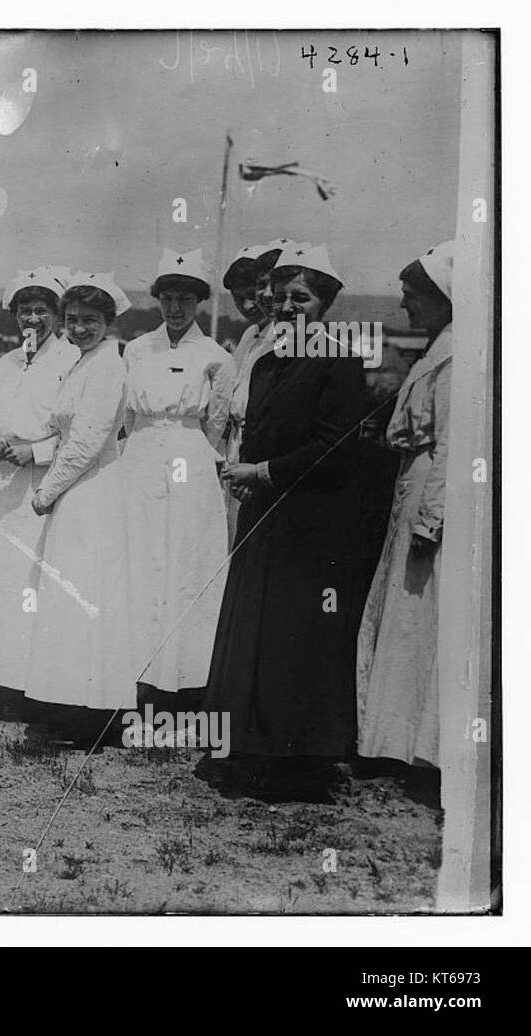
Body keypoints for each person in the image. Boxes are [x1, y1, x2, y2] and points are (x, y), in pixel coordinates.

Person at [205, 243, 366, 796]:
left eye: (303, 297)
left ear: (325, 303)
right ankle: (251, 746)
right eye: (282, 295)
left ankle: (297, 758)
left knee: (295, 635)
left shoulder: (338, 361)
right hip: (263, 513)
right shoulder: (270, 359)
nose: (289, 306)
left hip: (309, 520)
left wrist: (265, 472)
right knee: (255, 632)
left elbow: (334, 448)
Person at [356, 241, 455, 767]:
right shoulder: (437, 348)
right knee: (402, 616)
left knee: (417, 618)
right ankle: (393, 740)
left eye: (413, 296)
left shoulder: (456, 355)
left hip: (428, 496)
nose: (405, 307)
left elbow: (451, 447)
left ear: (443, 297)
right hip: (410, 484)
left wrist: (431, 520)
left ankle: (419, 746)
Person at [121, 249, 235, 694]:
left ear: (199, 302)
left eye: (184, 299)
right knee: (140, 559)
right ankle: (134, 673)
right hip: (142, 456)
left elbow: (217, 425)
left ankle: (184, 678)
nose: (174, 308)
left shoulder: (214, 357)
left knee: (183, 562)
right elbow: (129, 420)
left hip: (191, 459)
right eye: (167, 298)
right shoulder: (135, 349)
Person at [0, 267, 78, 692]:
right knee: (4, 577)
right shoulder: (7, 363)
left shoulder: (71, 360)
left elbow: (80, 432)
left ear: (57, 315)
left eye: (42, 311)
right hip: (6, 485)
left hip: (46, 485)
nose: (33, 320)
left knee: (36, 579)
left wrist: (37, 452)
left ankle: (34, 683)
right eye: (25, 311)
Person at [24, 273, 137, 712]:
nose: (79, 328)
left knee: (86, 587)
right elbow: (63, 429)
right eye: (71, 320)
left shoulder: (108, 364)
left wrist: (45, 493)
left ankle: (92, 705)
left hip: (92, 489)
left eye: (89, 320)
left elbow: (88, 441)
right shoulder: (81, 362)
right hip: (76, 491)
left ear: (108, 321)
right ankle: (67, 697)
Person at [222, 239, 291, 543]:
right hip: (236, 449)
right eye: (239, 299)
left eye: (254, 294)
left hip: (259, 455)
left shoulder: (285, 335)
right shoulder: (250, 335)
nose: (250, 305)